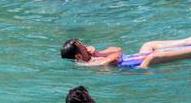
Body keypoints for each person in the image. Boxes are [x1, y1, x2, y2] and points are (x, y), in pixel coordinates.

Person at [61, 37, 191, 69]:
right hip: (138, 67)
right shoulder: (87, 66)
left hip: (134, 58)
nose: (86, 46)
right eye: (83, 47)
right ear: (78, 56)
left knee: (148, 45)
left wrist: (99, 53)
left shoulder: (93, 57)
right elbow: (114, 58)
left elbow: (119, 50)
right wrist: (102, 58)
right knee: (153, 57)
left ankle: (187, 41)